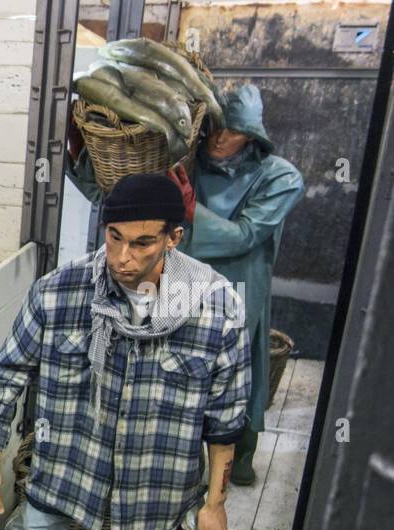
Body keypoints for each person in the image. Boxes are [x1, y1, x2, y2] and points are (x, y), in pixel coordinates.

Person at [0, 173, 250, 530]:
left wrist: (214, 501)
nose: (123, 257)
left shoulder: (216, 309)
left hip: (155, 482)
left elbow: (227, 416)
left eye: (142, 242)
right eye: (114, 237)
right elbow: (6, 373)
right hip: (68, 466)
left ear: (174, 238)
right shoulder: (60, 292)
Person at [68, 84, 305, 484]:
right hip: (171, 282)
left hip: (235, 287)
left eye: (232, 132)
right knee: (166, 369)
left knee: (229, 373)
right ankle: (166, 461)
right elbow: (115, 199)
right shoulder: (184, 163)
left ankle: (233, 460)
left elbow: (245, 236)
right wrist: (80, 154)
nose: (220, 139)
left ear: (252, 136)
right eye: (214, 128)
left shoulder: (279, 177)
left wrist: (192, 207)